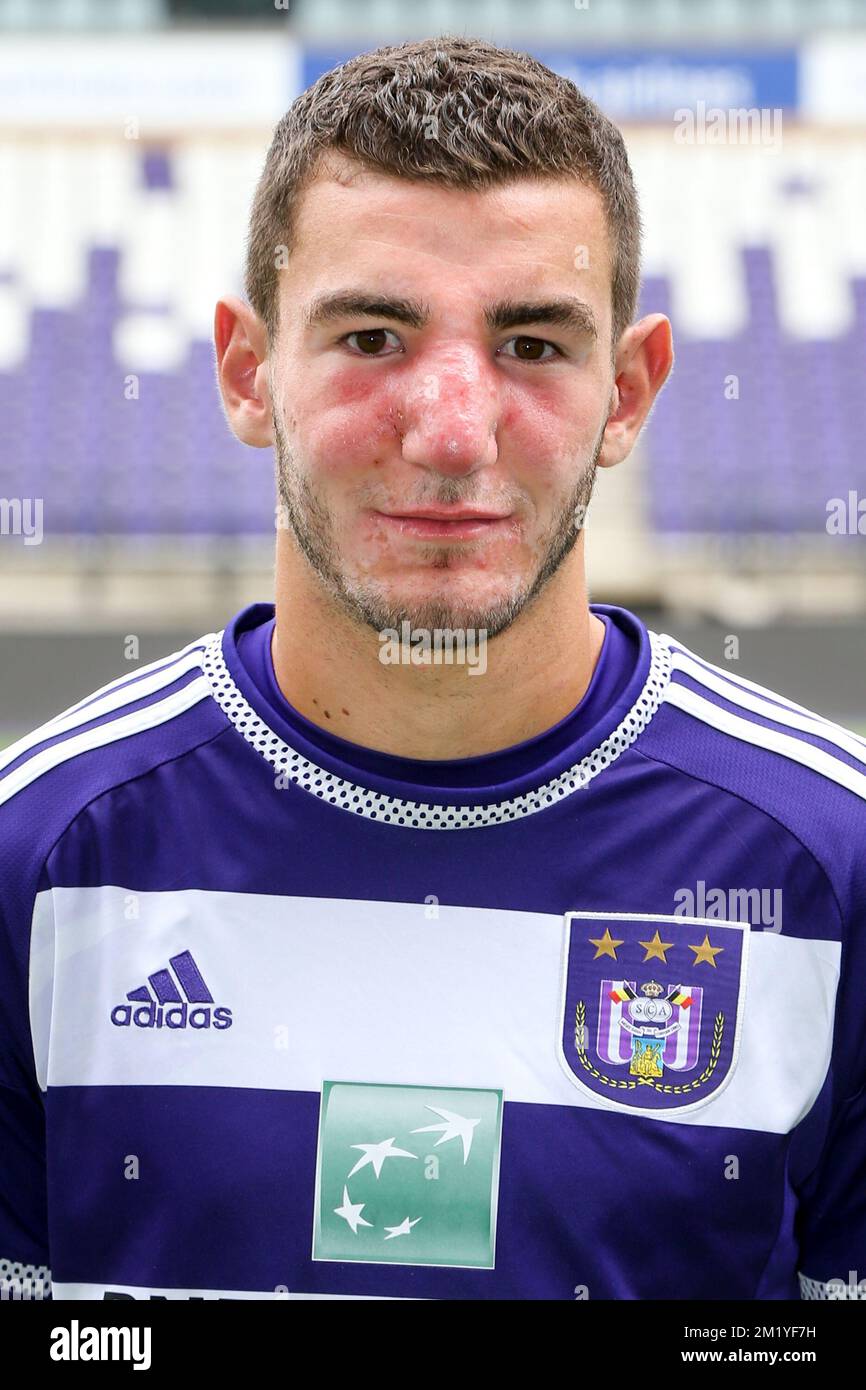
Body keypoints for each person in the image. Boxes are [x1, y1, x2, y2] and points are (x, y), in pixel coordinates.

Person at [1, 36, 864, 1302]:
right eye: (370, 335)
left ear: (626, 392)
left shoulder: (827, 858)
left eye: (530, 345)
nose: (453, 433)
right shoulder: (40, 852)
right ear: (249, 372)